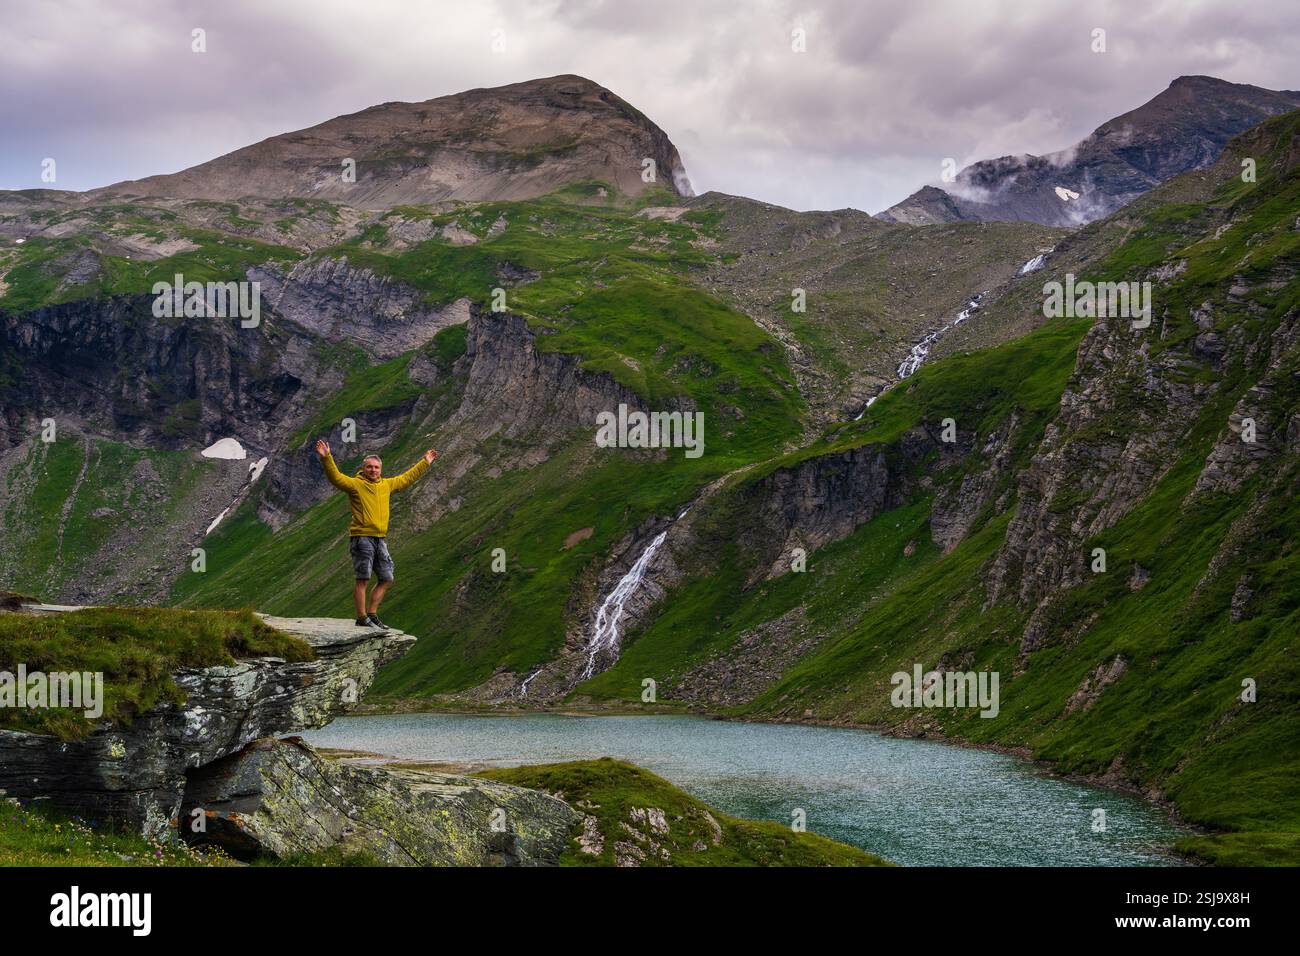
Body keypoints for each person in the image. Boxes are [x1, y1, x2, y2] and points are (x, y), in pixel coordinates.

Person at [314, 439, 437, 628]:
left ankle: (372, 614)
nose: (373, 470)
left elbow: (406, 478)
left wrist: (425, 462)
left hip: (380, 539)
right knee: (363, 579)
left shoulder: (386, 485)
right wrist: (327, 458)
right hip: (362, 537)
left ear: (381, 469)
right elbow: (336, 478)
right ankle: (362, 618)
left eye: (376, 467)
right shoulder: (355, 484)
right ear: (364, 469)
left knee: (387, 578)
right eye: (369, 467)